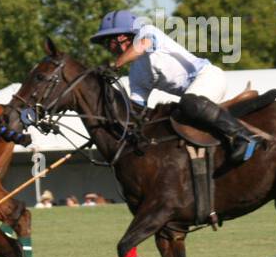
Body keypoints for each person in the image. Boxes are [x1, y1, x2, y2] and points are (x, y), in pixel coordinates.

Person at [91, 9, 261, 163]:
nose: (107, 48)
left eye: (108, 42)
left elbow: (141, 46)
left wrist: (114, 66)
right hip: (194, 98)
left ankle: (244, 136)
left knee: (187, 103)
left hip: (209, 77)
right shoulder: (136, 74)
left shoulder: (147, 33)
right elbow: (136, 110)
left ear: (121, 37)